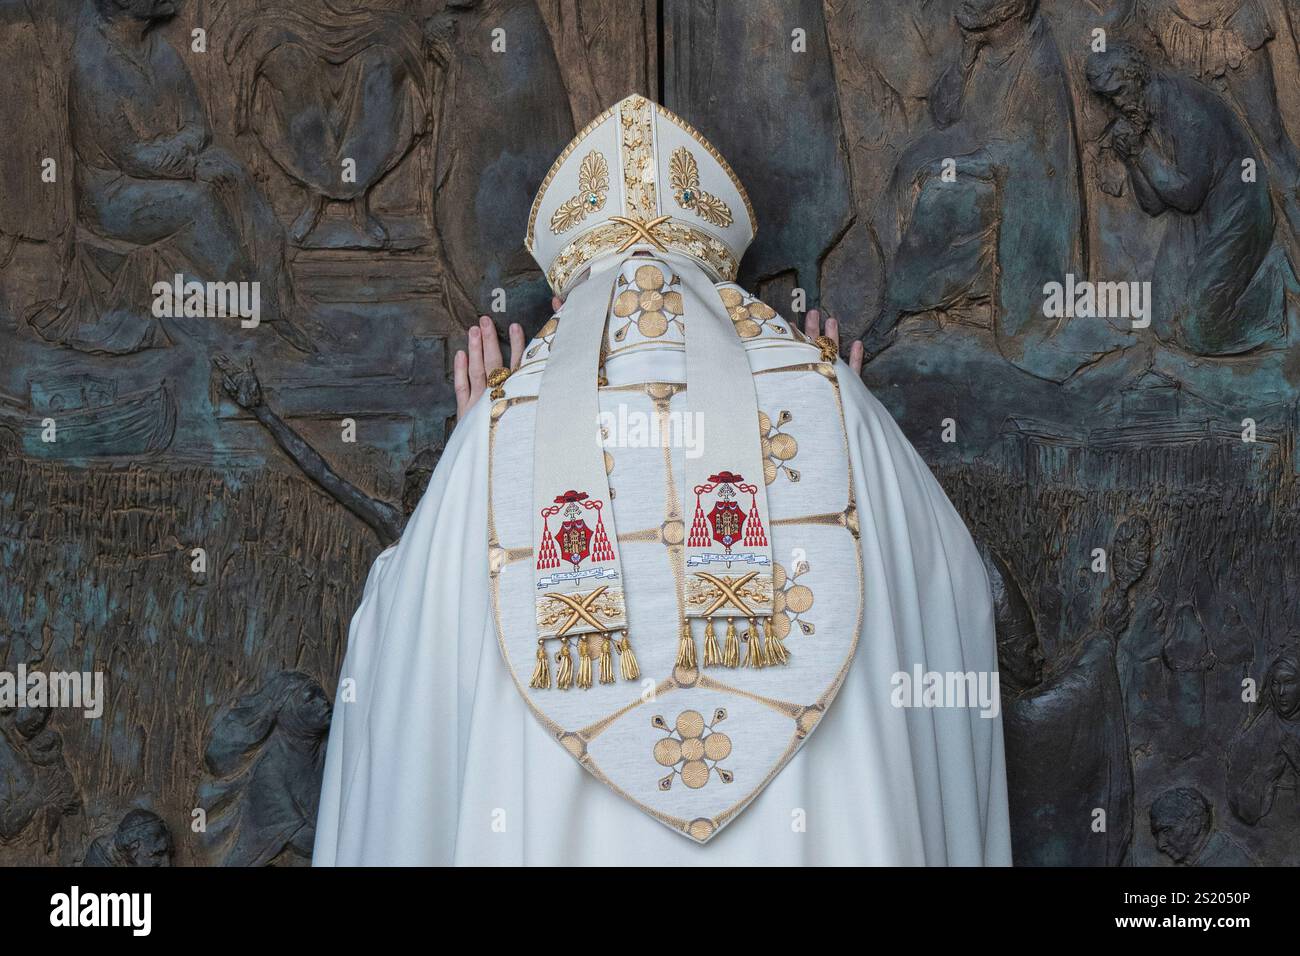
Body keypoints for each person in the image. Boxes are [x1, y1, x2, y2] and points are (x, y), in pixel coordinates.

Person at [313, 94, 1009, 865]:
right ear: (716, 273)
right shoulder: (829, 404)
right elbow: (955, 591)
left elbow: (400, 654)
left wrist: (472, 451)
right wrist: (849, 439)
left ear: (573, 292)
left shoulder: (503, 423)